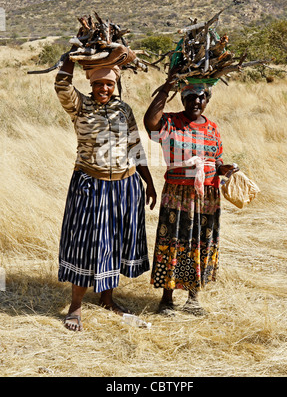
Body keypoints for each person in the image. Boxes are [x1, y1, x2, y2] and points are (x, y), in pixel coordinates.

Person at [55, 55, 156, 331]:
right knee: (86, 245)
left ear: (115, 84)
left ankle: (106, 299)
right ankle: (75, 307)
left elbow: (136, 146)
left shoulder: (123, 110)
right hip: (91, 186)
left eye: (109, 84)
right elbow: (62, 86)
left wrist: (149, 182)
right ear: (91, 84)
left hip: (124, 186)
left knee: (114, 242)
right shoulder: (80, 106)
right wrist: (71, 57)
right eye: (98, 84)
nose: (104, 89)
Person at [144, 78, 238, 315]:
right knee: (173, 241)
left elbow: (215, 160)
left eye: (201, 97)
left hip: (207, 195)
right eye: (190, 97)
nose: (196, 101)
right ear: (183, 98)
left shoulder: (212, 128)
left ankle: (193, 298)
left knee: (200, 243)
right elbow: (150, 123)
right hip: (178, 193)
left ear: (207, 100)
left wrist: (223, 168)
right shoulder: (171, 123)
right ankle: (167, 299)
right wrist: (167, 86)